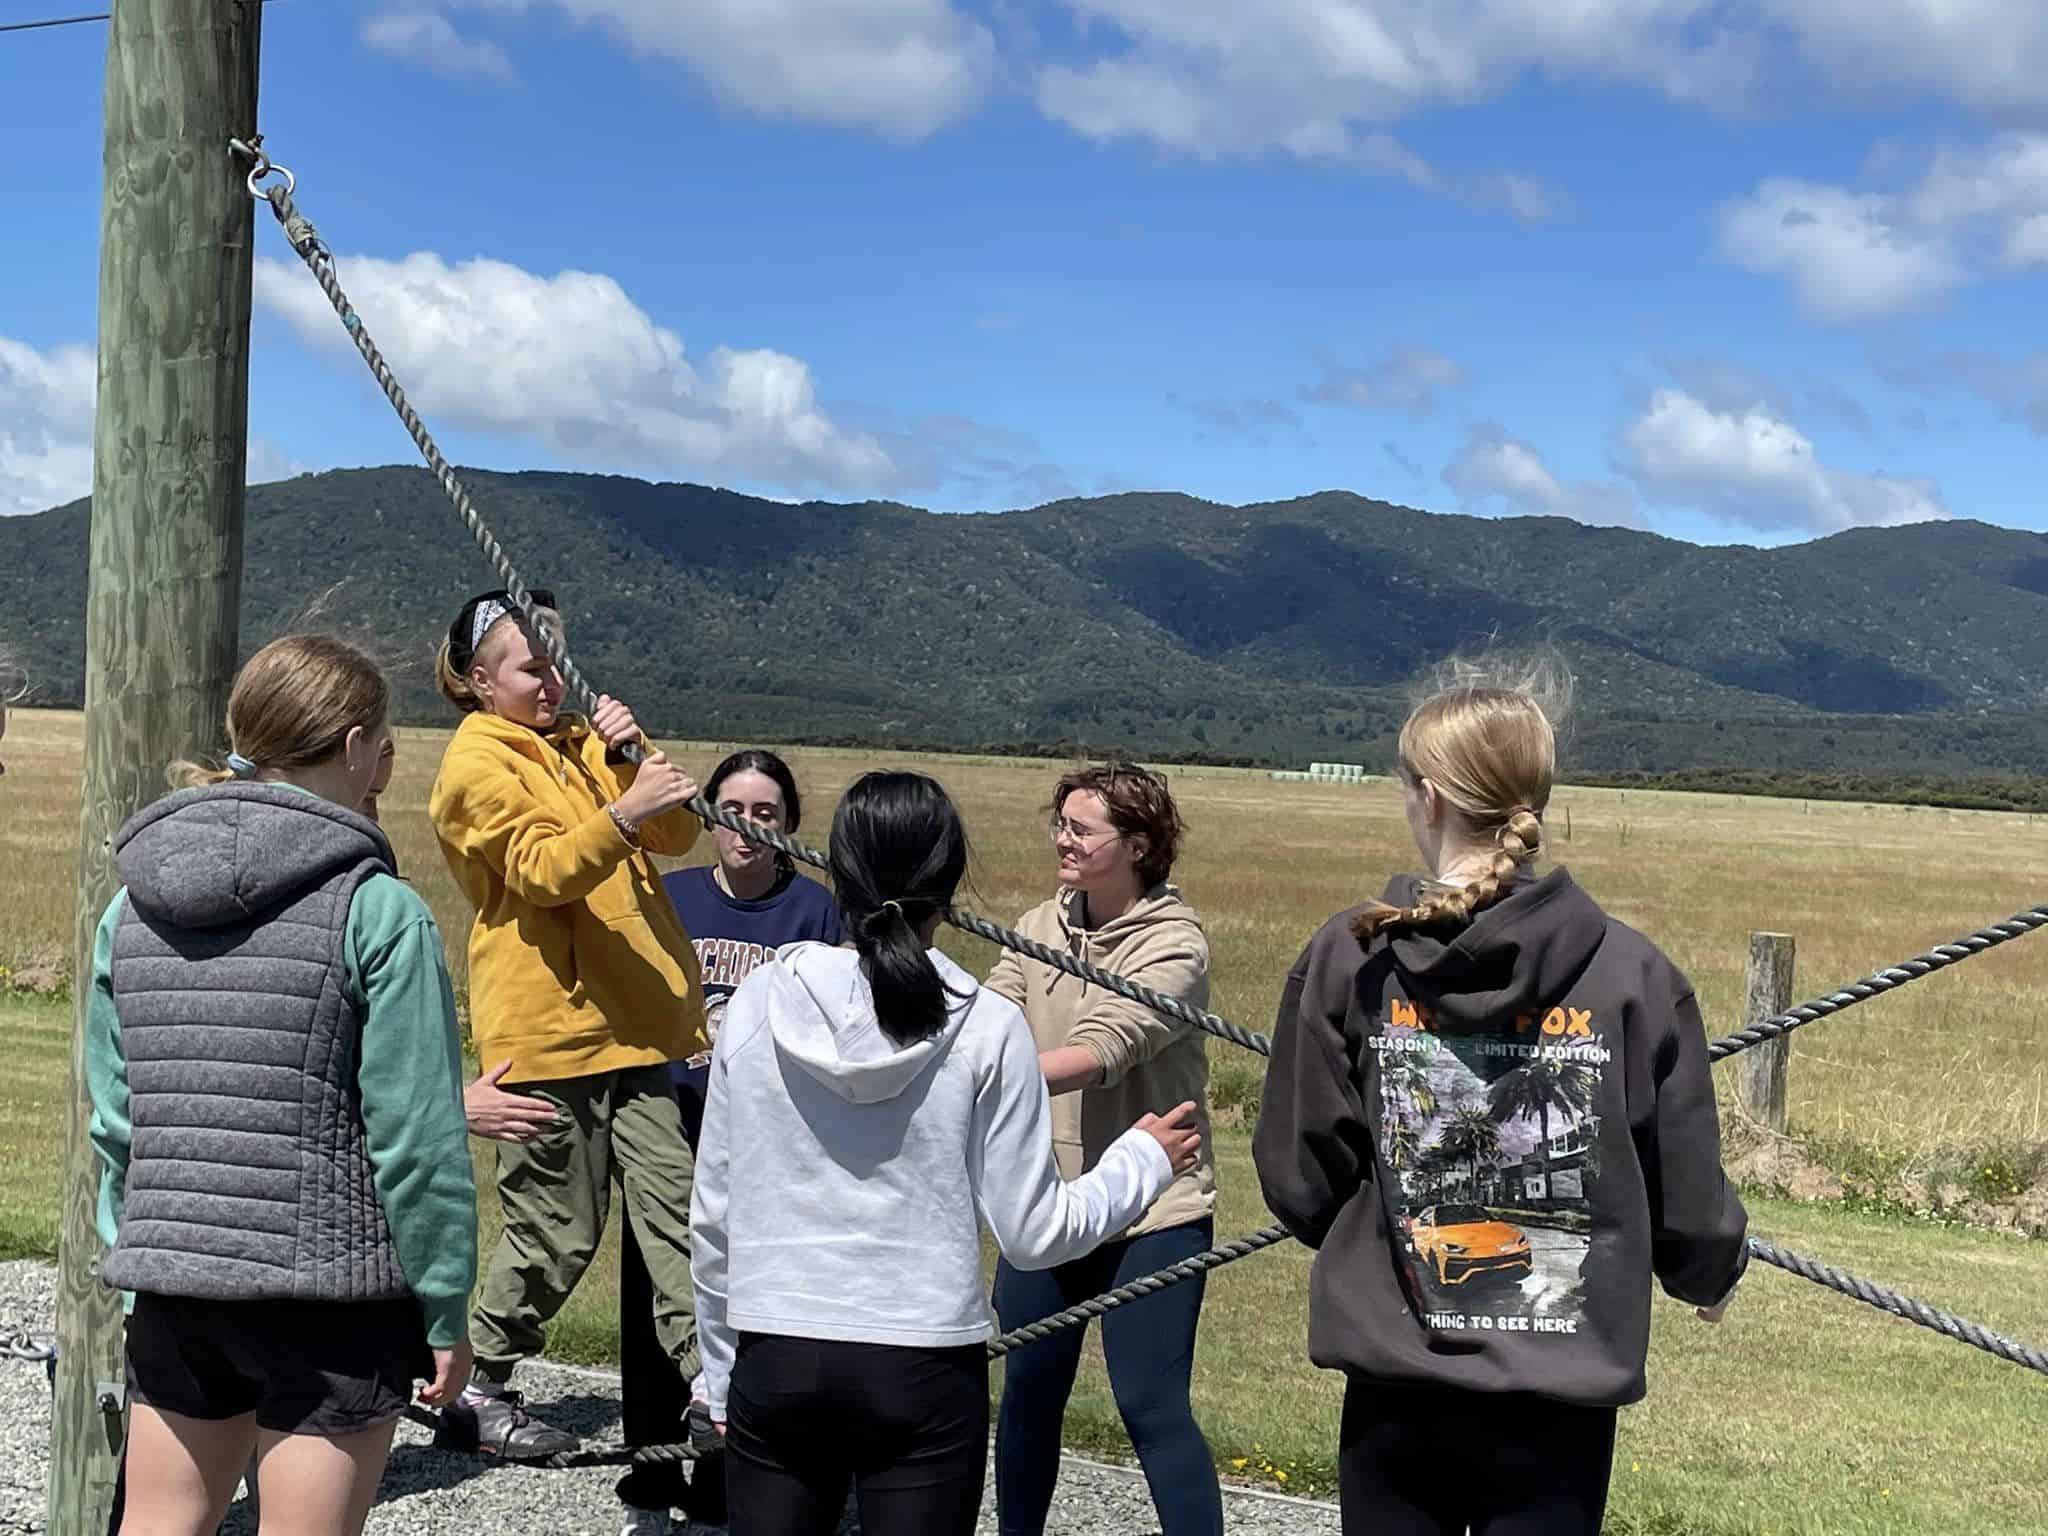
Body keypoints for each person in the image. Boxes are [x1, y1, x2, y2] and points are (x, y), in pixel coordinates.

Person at [1252, 658, 1749, 1536]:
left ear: (1430, 796)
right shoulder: (1633, 973)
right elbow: (1687, 1193)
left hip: (1395, 1379)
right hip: (1561, 1398)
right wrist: (1709, 1271)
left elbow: (1300, 1176)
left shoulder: (1351, 956)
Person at [690, 770, 1203, 1536]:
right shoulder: (987, 1023)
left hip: (778, 1357)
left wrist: (721, 1376)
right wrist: (1142, 1162)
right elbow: (1035, 1236)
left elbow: (715, 1215)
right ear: (949, 882)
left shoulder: (757, 1001)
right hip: (923, 1367)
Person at [82, 634, 477, 1536]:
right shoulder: (379, 908)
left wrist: (138, 1248)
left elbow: (117, 1117)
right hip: (331, 1295)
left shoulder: (128, 904)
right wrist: (445, 1302)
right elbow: (416, 1139)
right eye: (384, 741)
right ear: (349, 746)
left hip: (177, 1282)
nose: (388, 760)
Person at [427, 587, 711, 1459]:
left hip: (637, 1025)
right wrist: (618, 814)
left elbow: (674, 838)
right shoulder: (475, 767)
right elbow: (544, 871)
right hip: (548, 1031)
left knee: (683, 1210)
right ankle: (477, 1384)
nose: (551, 682)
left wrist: (631, 756)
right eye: (531, 667)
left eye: (556, 665)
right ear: (480, 681)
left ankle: (712, 1384)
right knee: (556, 1227)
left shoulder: (581, 743)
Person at [985, 761, 1225, 1536]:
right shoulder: (1034, 928)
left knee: (1150, 1405)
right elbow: (992, 1020)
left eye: (1081, 829)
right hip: (1047, 1202)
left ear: (1139, 845)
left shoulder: (1175, 945)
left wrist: (977, 1078)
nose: (1063, 838)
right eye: (1060, 823)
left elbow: (1104, 1047)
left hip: (1156, 1209)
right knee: (1028, 1393)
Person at [615, 750, 843, 1535]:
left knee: (739, 1307)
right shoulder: (669, 894)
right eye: (732, 809)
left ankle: (727, 1467)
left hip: (764, 1142)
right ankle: (648, 1459)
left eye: (767, 813)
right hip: (667, 1126)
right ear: (706, 815)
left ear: (789, 828)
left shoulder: (815, 914)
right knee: (653, 1297)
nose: (747, 827)